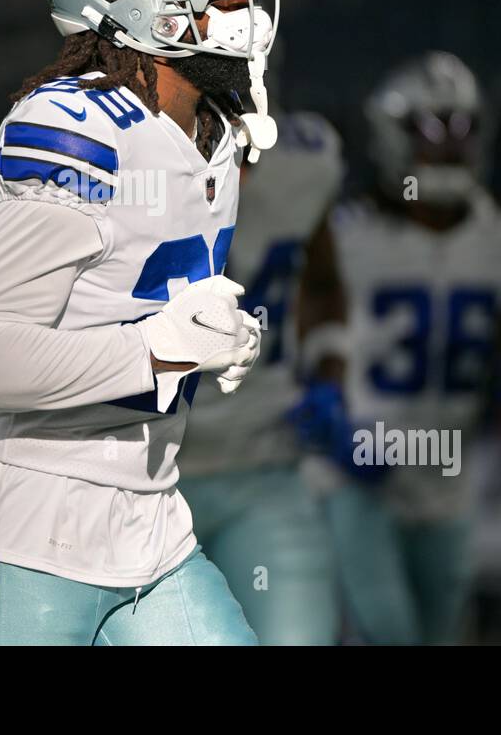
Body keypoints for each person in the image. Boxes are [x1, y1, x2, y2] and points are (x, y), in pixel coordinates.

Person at [0, 0, 278, 645]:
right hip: (25, 532)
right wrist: (154, 351)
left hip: (153, 524)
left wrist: (215, 335)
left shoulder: (215, 130)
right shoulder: (80, 129)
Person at [295, 52, 501, 644]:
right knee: (388, 634)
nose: (448, 146)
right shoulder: (347, 232)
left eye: (461, 129)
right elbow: (300, 336)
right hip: (357, 473)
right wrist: (330, 418)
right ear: (394, 136)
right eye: (430, 129)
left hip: (445, 480)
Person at [177, 110, 344, 644]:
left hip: (263, 466)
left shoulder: (302, 166)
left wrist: (328, 367)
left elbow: (324, 282)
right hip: (142, 475)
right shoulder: (120, 157)